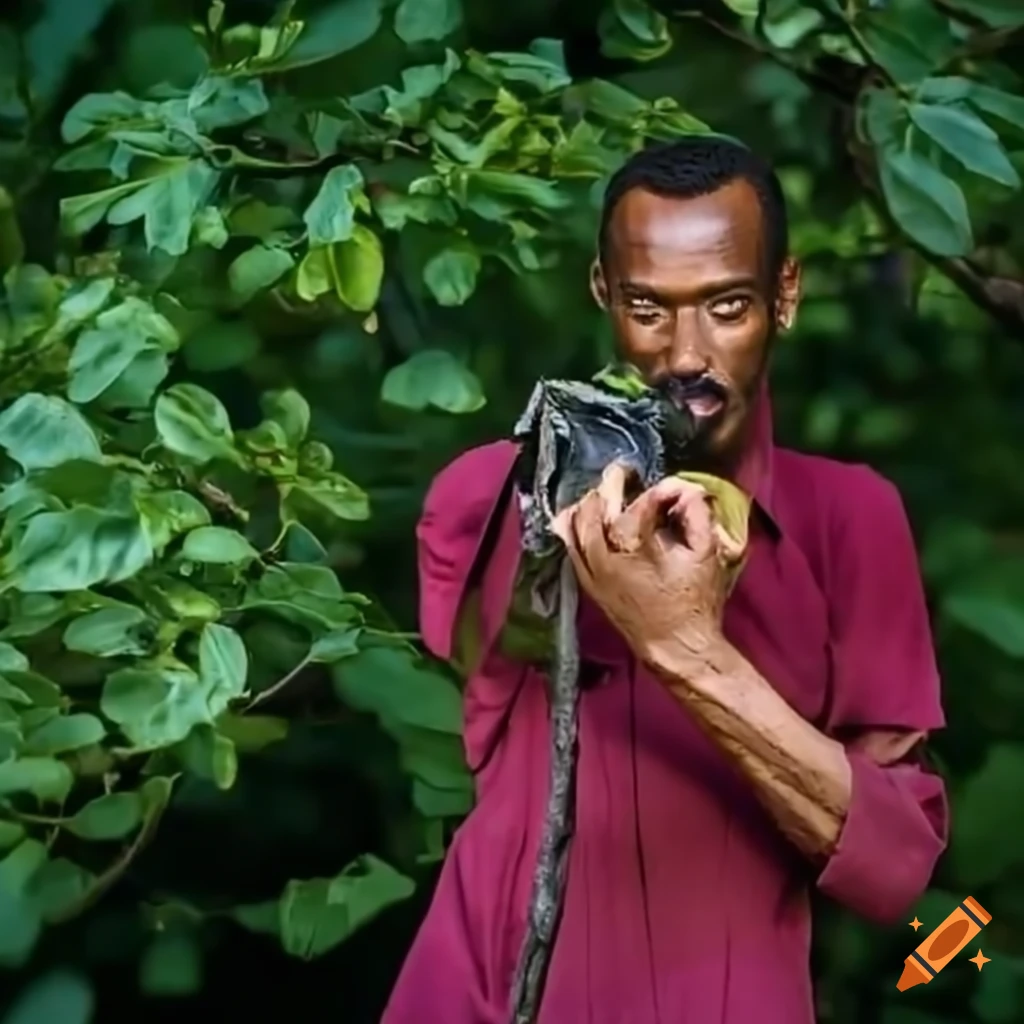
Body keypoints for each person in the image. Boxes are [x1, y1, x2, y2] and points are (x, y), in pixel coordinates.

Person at [381, 137, 948, 1024]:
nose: (686, 354)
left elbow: (897, 865)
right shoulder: (483, 494)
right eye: (649, 308)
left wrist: (686, 647)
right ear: (604, 293)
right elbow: (486, 653)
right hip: (490, 992)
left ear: (784, 295)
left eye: (727, 306)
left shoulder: (850, 520)